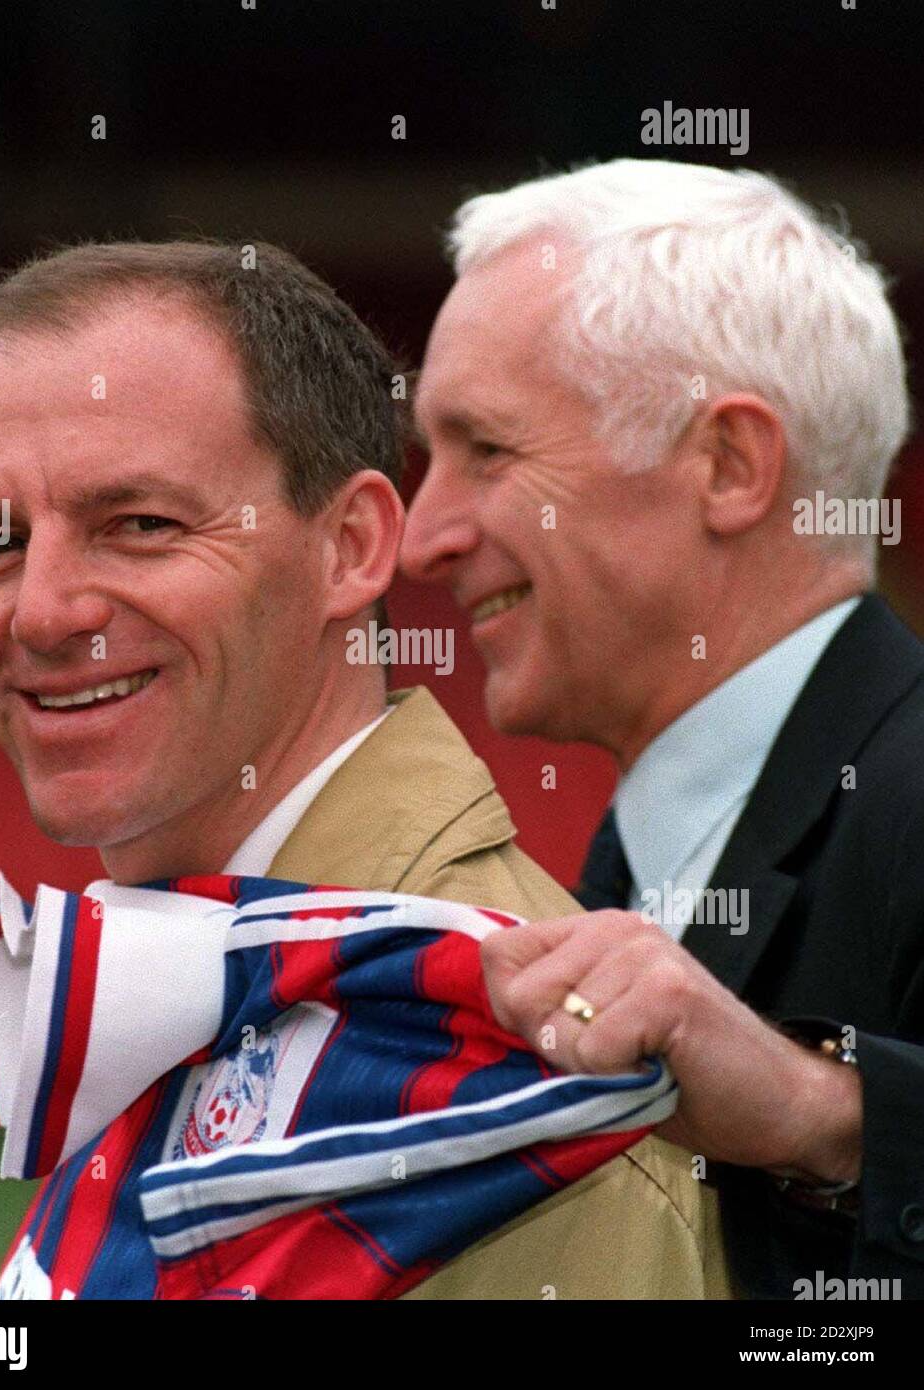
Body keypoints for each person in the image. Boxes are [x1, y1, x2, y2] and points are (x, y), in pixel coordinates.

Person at [0, 238, 727, 1299]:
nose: (39, 611)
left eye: (139, 524)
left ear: (351, 547)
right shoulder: (202, 983)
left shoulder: (511, 1086)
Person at [400, 159, 924, 1298]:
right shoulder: (631, 861)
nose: (419, 539)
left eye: (486, 450)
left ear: (728, 465)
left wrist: (824, 1114)